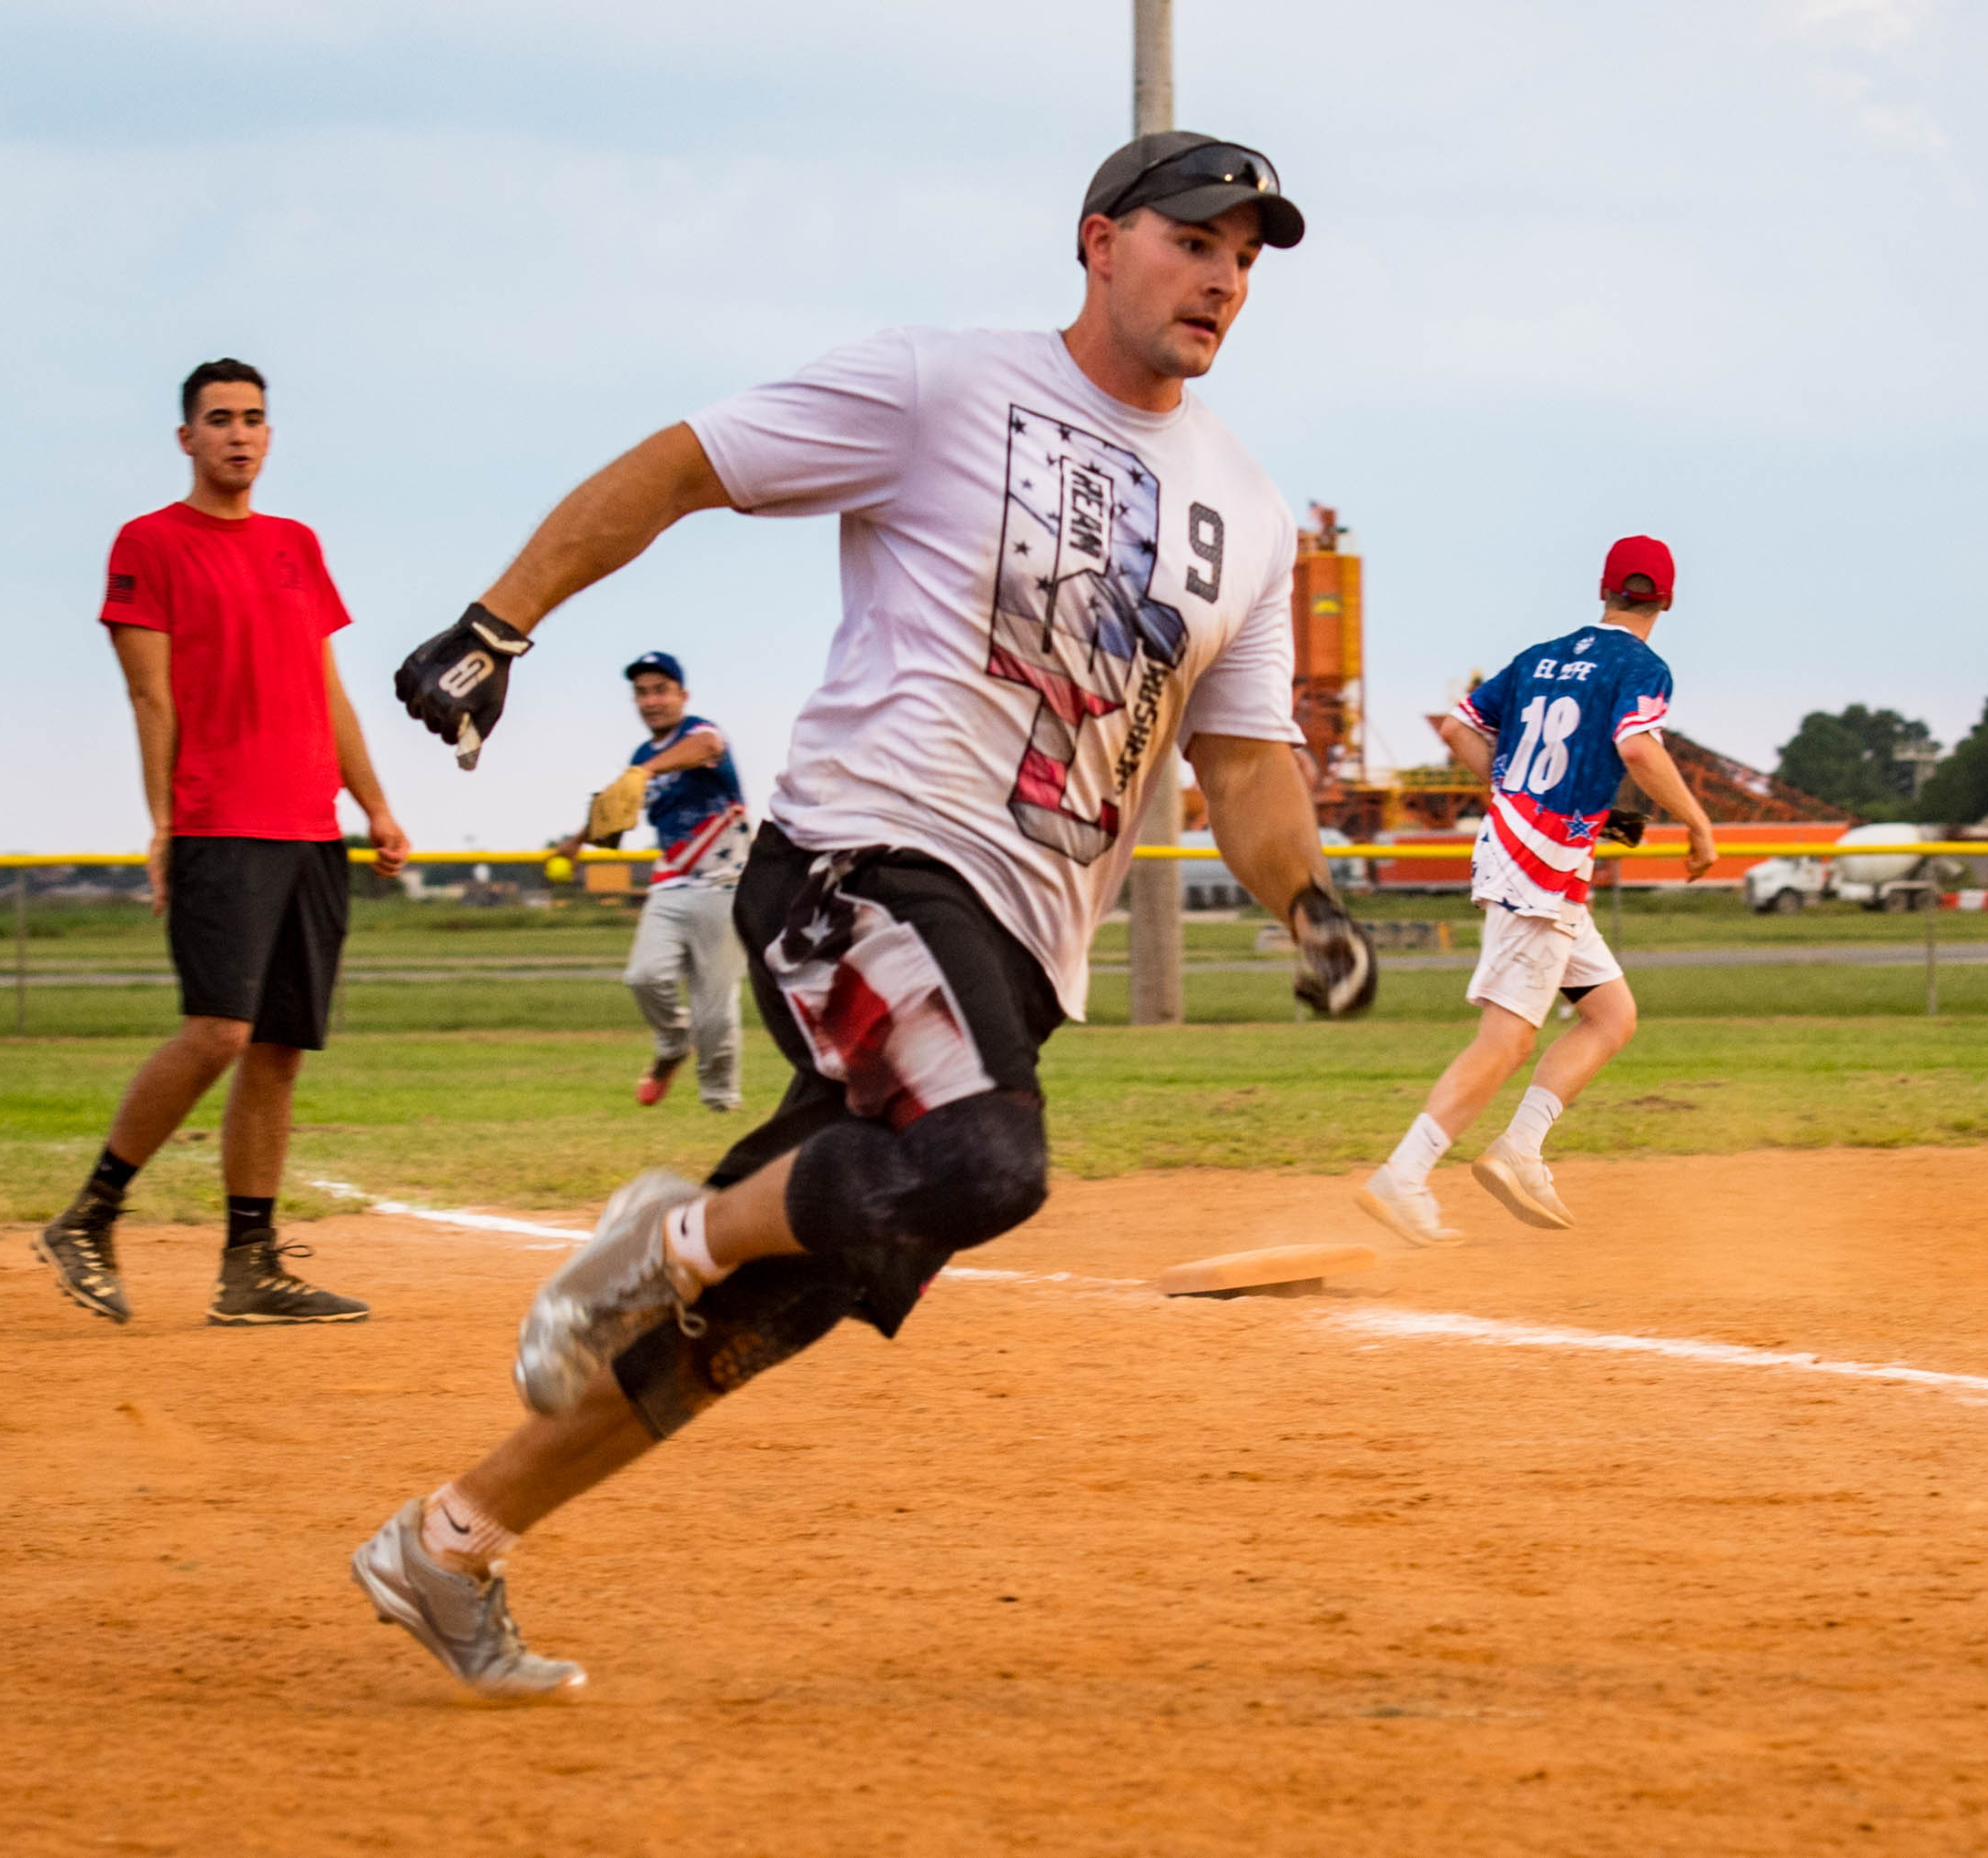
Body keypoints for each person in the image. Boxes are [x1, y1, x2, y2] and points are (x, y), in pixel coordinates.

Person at [354, 132, 1377, 1696]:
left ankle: (452, 1539)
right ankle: (660, 1237)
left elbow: (1242, 759)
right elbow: (689, 462)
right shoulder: (940, 385)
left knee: (782, 1298)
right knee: (983, 1158)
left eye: (1247, 254)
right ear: (1099, 242)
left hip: (1018, 953)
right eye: (1193, 239)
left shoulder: (1242, 502)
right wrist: (503, 622)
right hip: (863, 866)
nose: (1224, 277)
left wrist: (1305, 899)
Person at [36, 358, 410, 1326]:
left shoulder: (296, 544)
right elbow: (148, 695)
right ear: (186, 438)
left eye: (253, 419)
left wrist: (374, 803)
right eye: (218, 419)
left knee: (279, 1046)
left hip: (308, 827)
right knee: (219, 1030)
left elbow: (325, 688)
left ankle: (252, 1266)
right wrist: (164, 823)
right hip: (220, 819)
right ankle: (90, 1214)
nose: (238, 434)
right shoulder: (149, 543)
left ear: (270, 435)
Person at [1354, 536, 1717, 1247]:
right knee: (1507, 1037)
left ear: (1603, 590)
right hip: (1541, 867)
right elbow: (1639, 748)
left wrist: (1520, 788)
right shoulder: (1642, 665)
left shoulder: (1540, 656)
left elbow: (1460, 729)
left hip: (1526, 854)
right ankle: (1404, 1173)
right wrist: (1698, 823)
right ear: (1666, 599)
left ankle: (1519, 1149)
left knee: (1610, 1015)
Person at [555, 651, 749, 1112]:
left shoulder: (701, 734)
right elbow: (618, 811)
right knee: (644, 977)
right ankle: (672, 1043)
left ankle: (720, 1102)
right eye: (641, 693)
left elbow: (705, 749)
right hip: (671, 884)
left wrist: (644, 771)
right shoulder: (640, 758)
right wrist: (578, 841)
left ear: (682, 696)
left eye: (661, 690)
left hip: (725, 888)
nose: (651, 701)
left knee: (715, 1012)